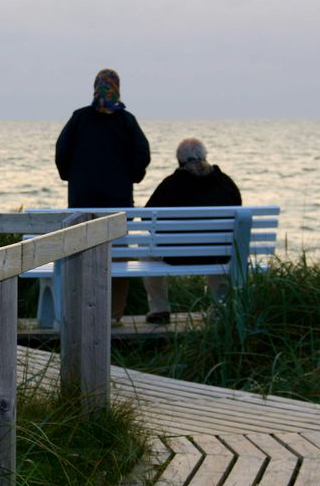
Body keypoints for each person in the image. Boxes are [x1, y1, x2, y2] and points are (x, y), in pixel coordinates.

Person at [55, 69, 151, 321]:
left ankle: (83, 313)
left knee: (82, 254)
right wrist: (132, 175)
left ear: (95, 88)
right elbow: (143, 154)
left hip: (82, 201)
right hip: (118, 202)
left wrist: (70, 176)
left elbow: (61, 152)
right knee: (118, 257)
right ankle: (114, 313)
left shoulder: (79, 118)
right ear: (117, 88)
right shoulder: (127, 121)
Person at [142, 137, 242, 324]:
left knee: (145, 249)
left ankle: (159, 310)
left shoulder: (170, 184)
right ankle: (220, 308)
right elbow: (238, 212)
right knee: (221, 246)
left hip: (175, 256)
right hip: (217, 255)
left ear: (180, 160)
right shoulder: (224, 182)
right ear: (205, 156)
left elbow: (147, 218)